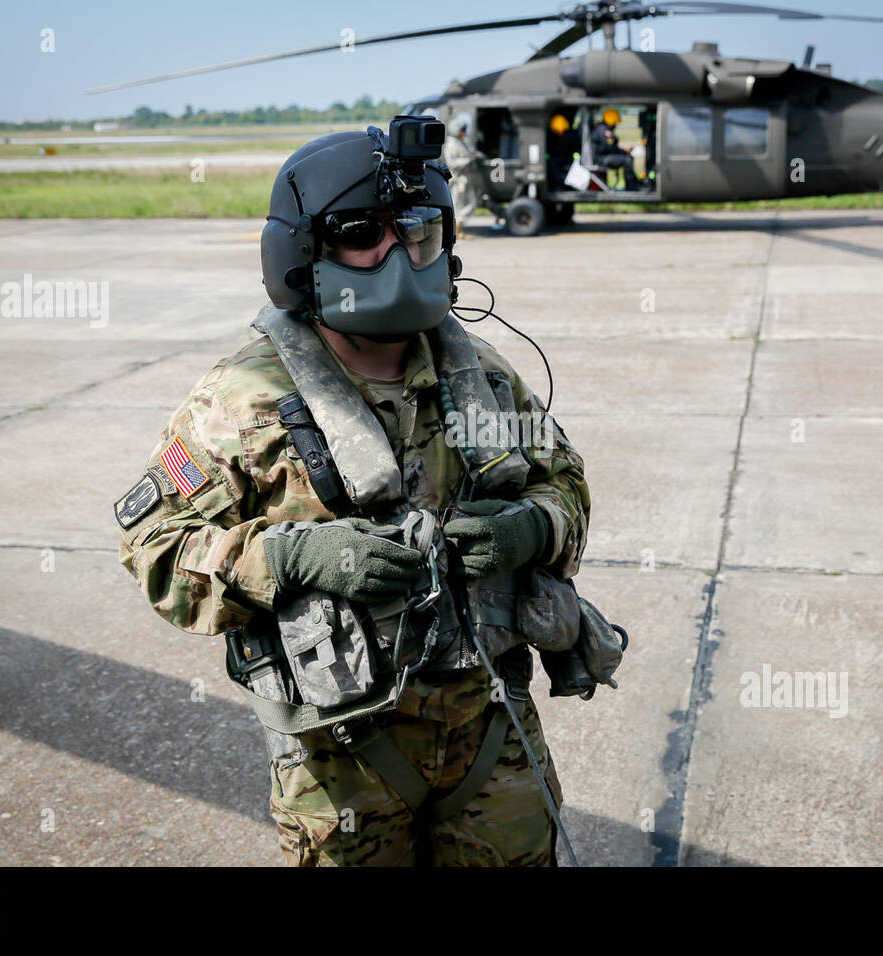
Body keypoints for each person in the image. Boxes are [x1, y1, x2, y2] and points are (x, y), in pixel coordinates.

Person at [115, 121, 601, 866]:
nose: (398, 255)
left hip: (491, 732)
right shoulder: (243, 399)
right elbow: (155, 548)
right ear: (304, 251)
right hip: (342, 761)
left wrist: (531, 529)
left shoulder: (486, 378)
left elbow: (565, 483)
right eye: (360, 233)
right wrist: (291, 558)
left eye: (417, 230)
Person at [443, 114, 481, 238]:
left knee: (470, 204)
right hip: (458, 179)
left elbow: (470, 153)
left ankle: (458, 228)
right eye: (462, 130)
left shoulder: (460, 142)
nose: (464, 133)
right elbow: (452, 163)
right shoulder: (451, 144)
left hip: (465, 178)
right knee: (458, 205)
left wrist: (475, 155)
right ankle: (456, 231)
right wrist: (469, 160)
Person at [590, 108, 640, 191]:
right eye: (615, 122)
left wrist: (623, 151)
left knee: (627, 157)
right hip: (600, 158)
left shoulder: (602, 128)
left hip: (603, 156)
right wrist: (623, 151)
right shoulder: (603, 130)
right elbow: (608, 147)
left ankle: (634, 184)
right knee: (627, 160)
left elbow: (611, 147)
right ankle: (632, 188)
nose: (616, 124)